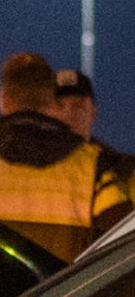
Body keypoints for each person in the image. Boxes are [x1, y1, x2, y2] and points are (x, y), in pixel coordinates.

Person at [0, 52, 128, 262]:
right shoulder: (92, 166)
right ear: (52, 103)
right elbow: (122, 242)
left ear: (4, 100)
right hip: (65, 293)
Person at [53, 68, 135, 204]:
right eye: (59, 106)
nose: (68, 114)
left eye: (78, 106)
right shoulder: (29, 167)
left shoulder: (121, 170)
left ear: (93, 113)